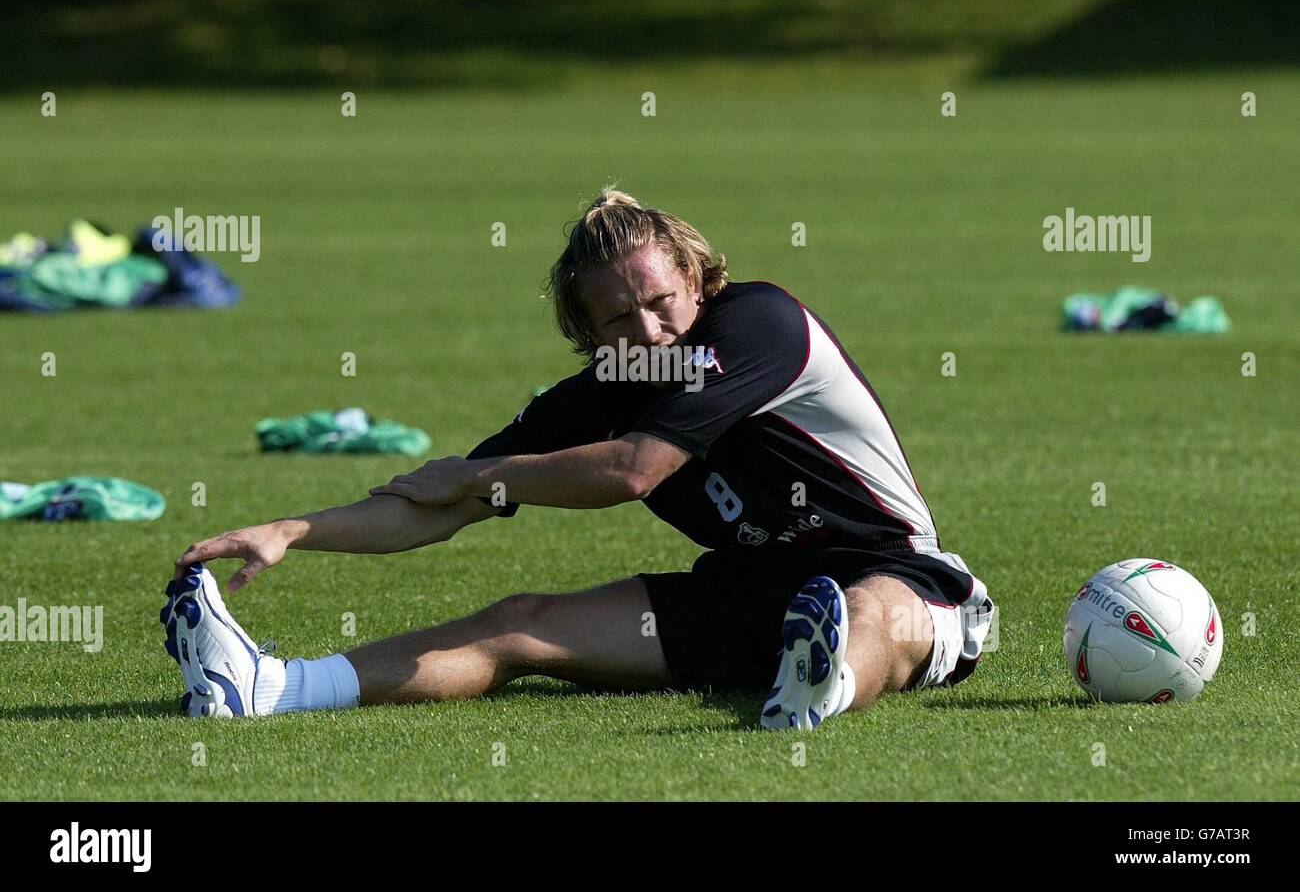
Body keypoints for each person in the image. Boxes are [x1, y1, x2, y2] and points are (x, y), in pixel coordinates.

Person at [163, 188, 995, 729]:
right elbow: (437, 505)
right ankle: (271, 688)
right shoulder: (596, 394)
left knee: (865, 612)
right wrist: (289, 528)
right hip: (746, 601)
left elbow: (633, 469)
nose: (649, 330)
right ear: (588, 335)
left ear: (700, 282)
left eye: (662, 301)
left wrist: (482, 474)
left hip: (900, 573)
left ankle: (822, 685)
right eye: (619, 319)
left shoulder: (760, 323)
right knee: (519, 622)